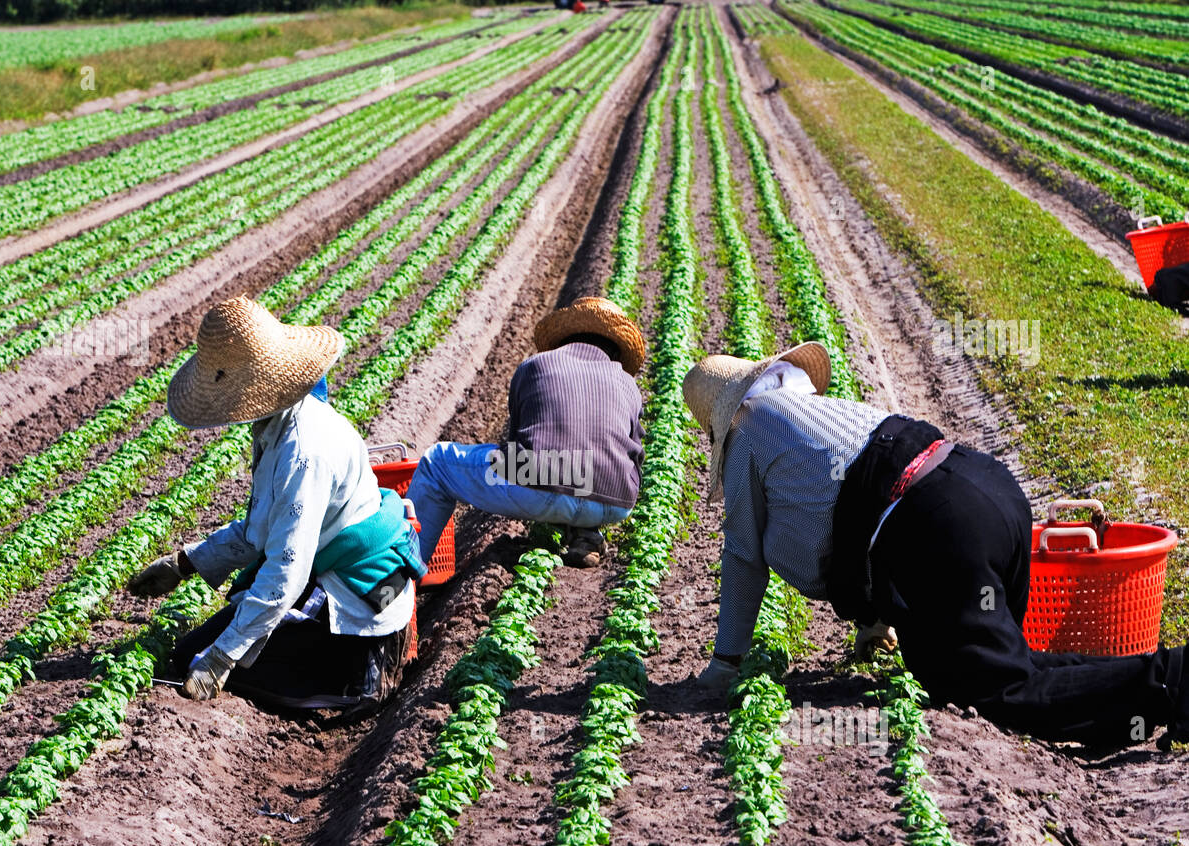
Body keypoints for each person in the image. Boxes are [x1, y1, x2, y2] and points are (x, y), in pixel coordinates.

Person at [684, 345, 1189, 752]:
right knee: (1014, 664)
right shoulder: (813, 413)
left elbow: (745, 555)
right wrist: (876, 623)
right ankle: (1166, 678)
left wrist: (726, 662)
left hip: (944, 534)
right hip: (988, 490)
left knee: (1000, 693)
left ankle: (1172, 685)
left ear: (719, 419)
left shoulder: (746, 431)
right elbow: (853, 495)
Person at [127, 295, 425, 716]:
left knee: (193, 660)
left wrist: (221, 658)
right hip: (345, 576)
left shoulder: (304, 452)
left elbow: (286, 570)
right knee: (194, 649)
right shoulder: (281, 425)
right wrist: (186, 563)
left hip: (364, 610)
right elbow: (261, 529)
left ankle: (361, 683)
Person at [407, 296, 645, 569]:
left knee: (438, 462)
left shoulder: (536, 365)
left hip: (542, 484)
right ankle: (586, 533)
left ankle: (401, 577)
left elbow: (519, 445)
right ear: (616, 352)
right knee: (583, 465)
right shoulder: (629, 385)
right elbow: (634, 455)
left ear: (566, 337)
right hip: (617, 500)